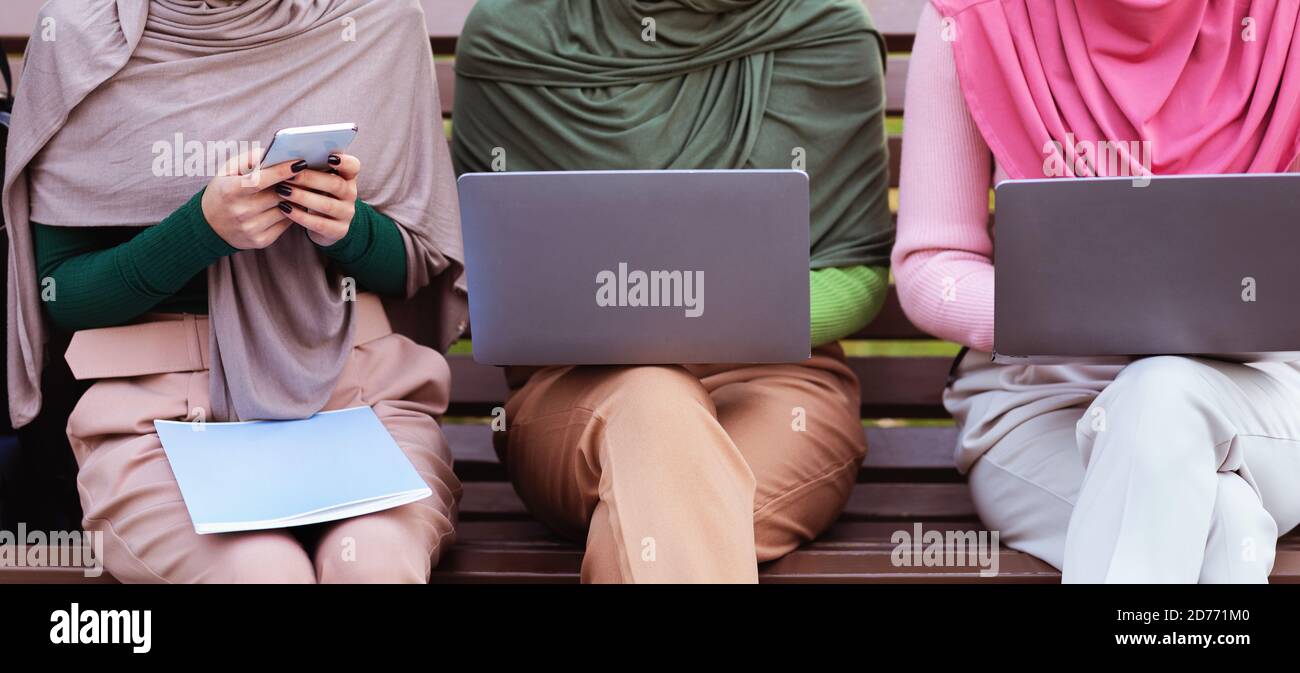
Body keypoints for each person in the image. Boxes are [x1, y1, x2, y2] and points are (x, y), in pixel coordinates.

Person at [2, 0, 468, 583]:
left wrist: (349, 229)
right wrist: (200, 233)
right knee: (260, 573)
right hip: (157, 421)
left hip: (358, 399)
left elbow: (414, 270)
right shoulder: (80, 34)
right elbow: (62, 292)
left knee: (372, 565)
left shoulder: (376, 21)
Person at [452, 0, 894, 582]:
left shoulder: (824, 29)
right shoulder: (515, 32)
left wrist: (728, 323)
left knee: (658, 517)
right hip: (573, 389)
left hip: (775, 383)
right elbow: (481, 270)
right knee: (656, 409)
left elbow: (857, 269)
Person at [893, 0, 1300, 582]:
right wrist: (1090, 318)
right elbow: (934, 265)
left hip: (1263, 397)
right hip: (1045, 410)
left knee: (1162, 394)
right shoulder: (974, 14)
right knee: (1224, 526)